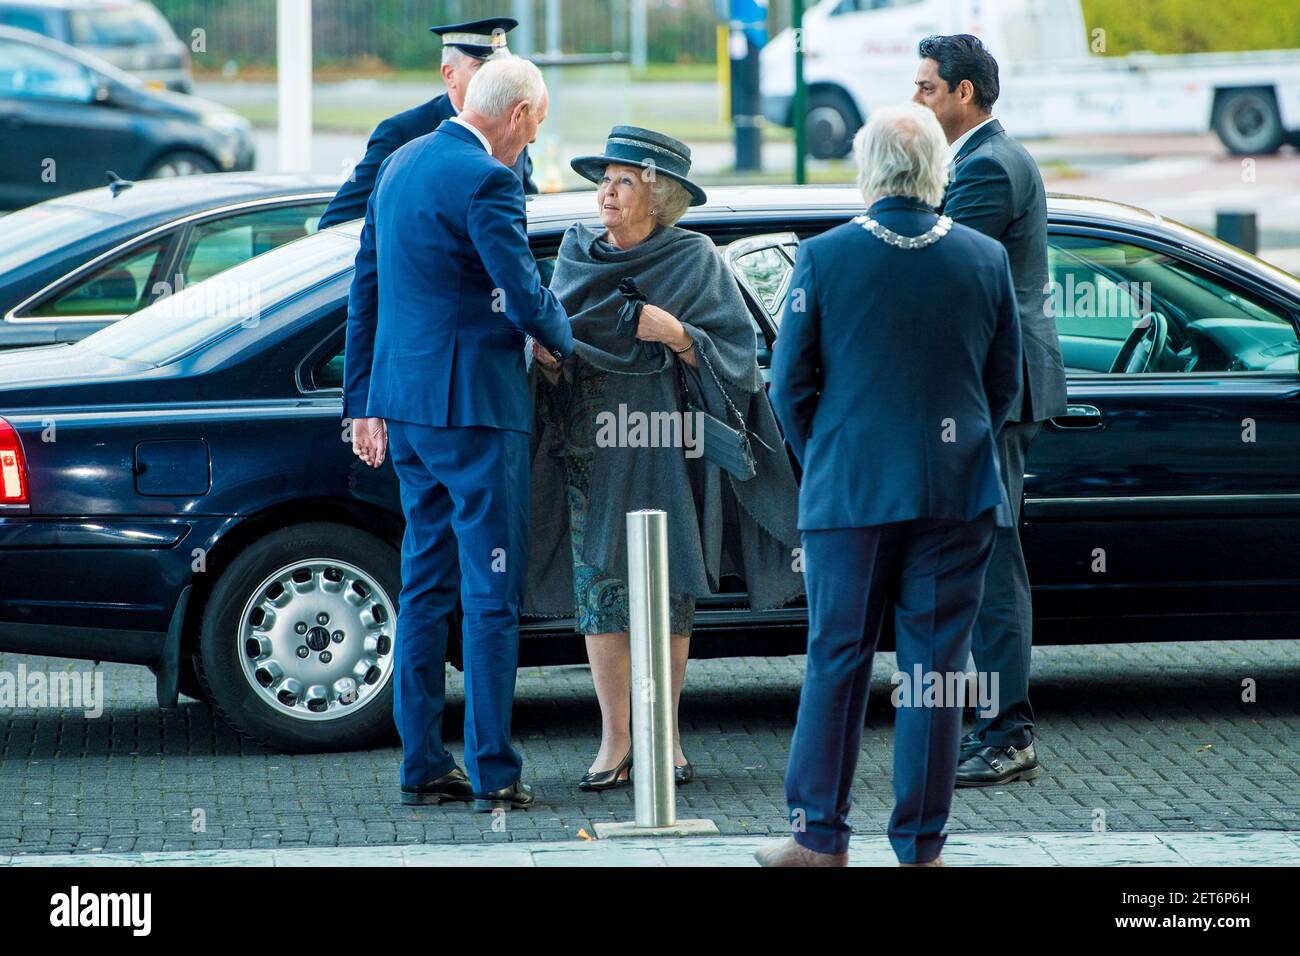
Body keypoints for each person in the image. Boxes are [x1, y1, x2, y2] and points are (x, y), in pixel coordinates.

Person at [757, 103, 1023, 867]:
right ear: (938, 171)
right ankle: (921, 845)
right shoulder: (982, 258)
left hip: (851, 492)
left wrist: (828, 456)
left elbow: (789, 386)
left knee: (836, 658)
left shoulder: (828, 256)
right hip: (957, 492)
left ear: (867, 171)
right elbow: (1004, 385)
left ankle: (818, 837)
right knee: (936, 673)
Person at [525, 126, 804, 791]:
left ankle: (666, 734)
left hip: (667, 445)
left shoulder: (695, 258)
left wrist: (679, 336)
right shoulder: (575, 251)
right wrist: (546, 361)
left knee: (670, 592)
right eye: (605, 181)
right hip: (592, 445)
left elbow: (738, 362)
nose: (607, 195)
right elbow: (556, 344)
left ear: (660, 195)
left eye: (624, 182)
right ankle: (616, 739)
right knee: (600, 593)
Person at [345, 57, 573, 813]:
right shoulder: (488, 181)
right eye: (537, 122)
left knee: (424, 587)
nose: (534, 137)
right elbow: (523, 291)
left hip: (406, 409)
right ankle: (495, 772)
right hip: (475, 410)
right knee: (491, 594)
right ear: (515, 115)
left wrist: (362, 402)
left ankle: (422, 763)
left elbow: (366, 288)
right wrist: (559, 338)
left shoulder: (401, 162)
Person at [914, 34, 1068, 786]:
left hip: (998, 392)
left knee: (994, 558)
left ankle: (1007, 731)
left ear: (965, 94)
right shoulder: (980, 160)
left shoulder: (987, 168)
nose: (918, 99)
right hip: (991, 387)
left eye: (928, 88)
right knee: (984, 553)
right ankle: (993, 722)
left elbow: (949, 272)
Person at [318, 16, 536, 230]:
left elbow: (529, 217)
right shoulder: (403, 132)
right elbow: (337, 221)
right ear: (450, 75)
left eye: (498, 70)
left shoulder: (513, 125)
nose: (493, 80)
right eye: (480, 69)